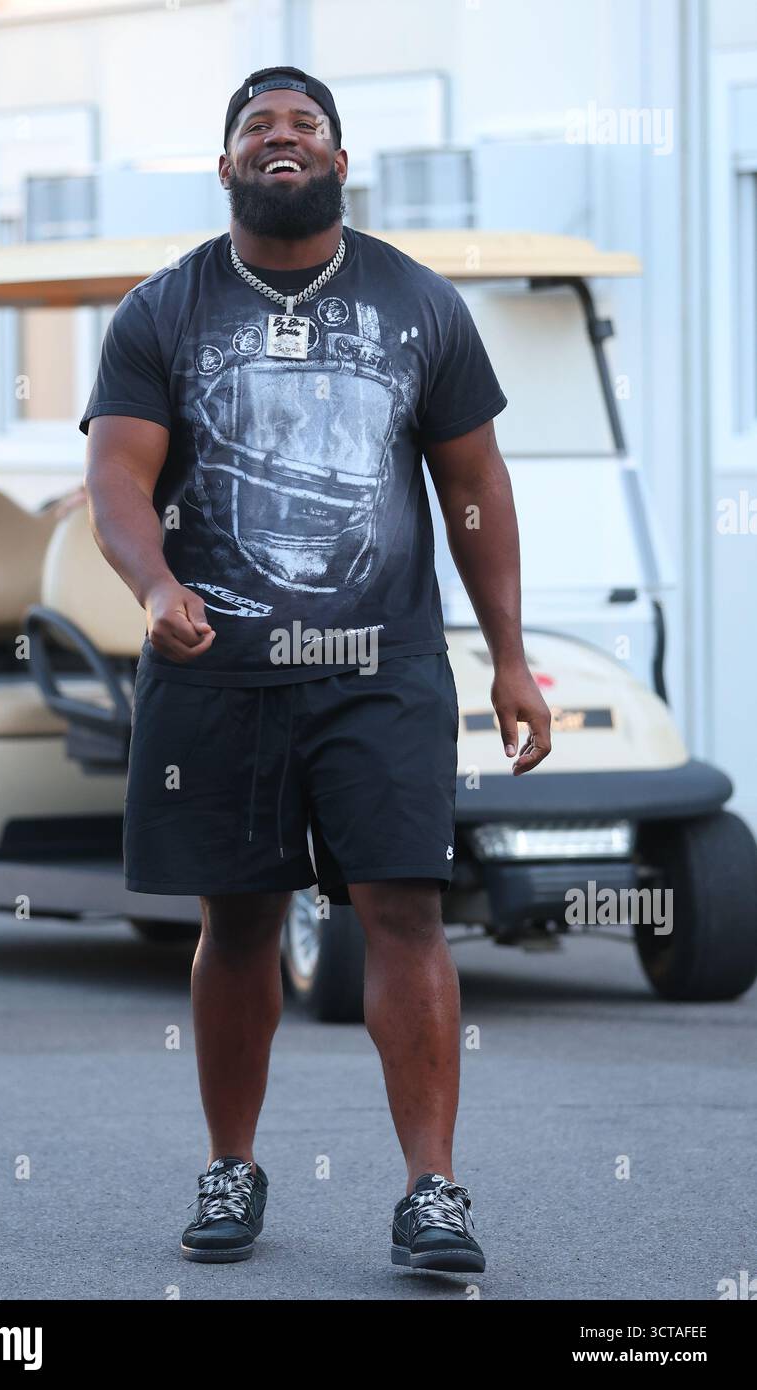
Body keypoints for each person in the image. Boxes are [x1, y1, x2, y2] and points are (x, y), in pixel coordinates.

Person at [81, 66, 551, 1274]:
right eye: (257, 128)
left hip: (379, 668)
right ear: (226, 164)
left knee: (403, 908)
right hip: (214, 668)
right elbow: (118, 483)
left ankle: (431, 1190)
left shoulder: (419, 305)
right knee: (234, 921)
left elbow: (475, 493)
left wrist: (508, 658)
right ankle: (230, 1167)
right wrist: (153, 587)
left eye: (304, 127)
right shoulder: (161, 311)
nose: (279, 140)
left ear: (339, 161)